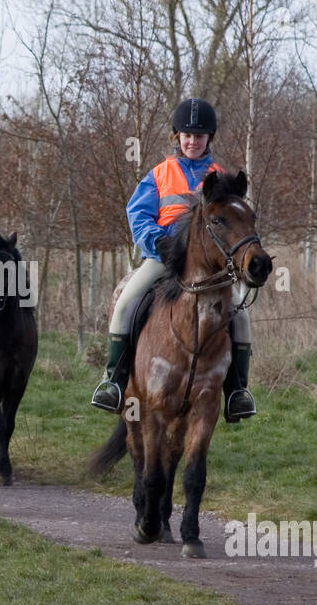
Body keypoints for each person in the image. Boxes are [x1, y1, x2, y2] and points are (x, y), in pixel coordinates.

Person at [89, 98, 256, 421]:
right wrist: (158, 242)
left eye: (200, 136)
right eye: (187, 135)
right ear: (176, 137)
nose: (193, 141)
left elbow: (234, 221)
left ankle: (237, 391)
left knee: (241, 316)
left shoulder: (220, 177)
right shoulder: (159, 174)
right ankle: (113, 381)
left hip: (209, 267)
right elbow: (137, 214)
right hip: (164, 257)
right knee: (126, 304)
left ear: (210, 138)